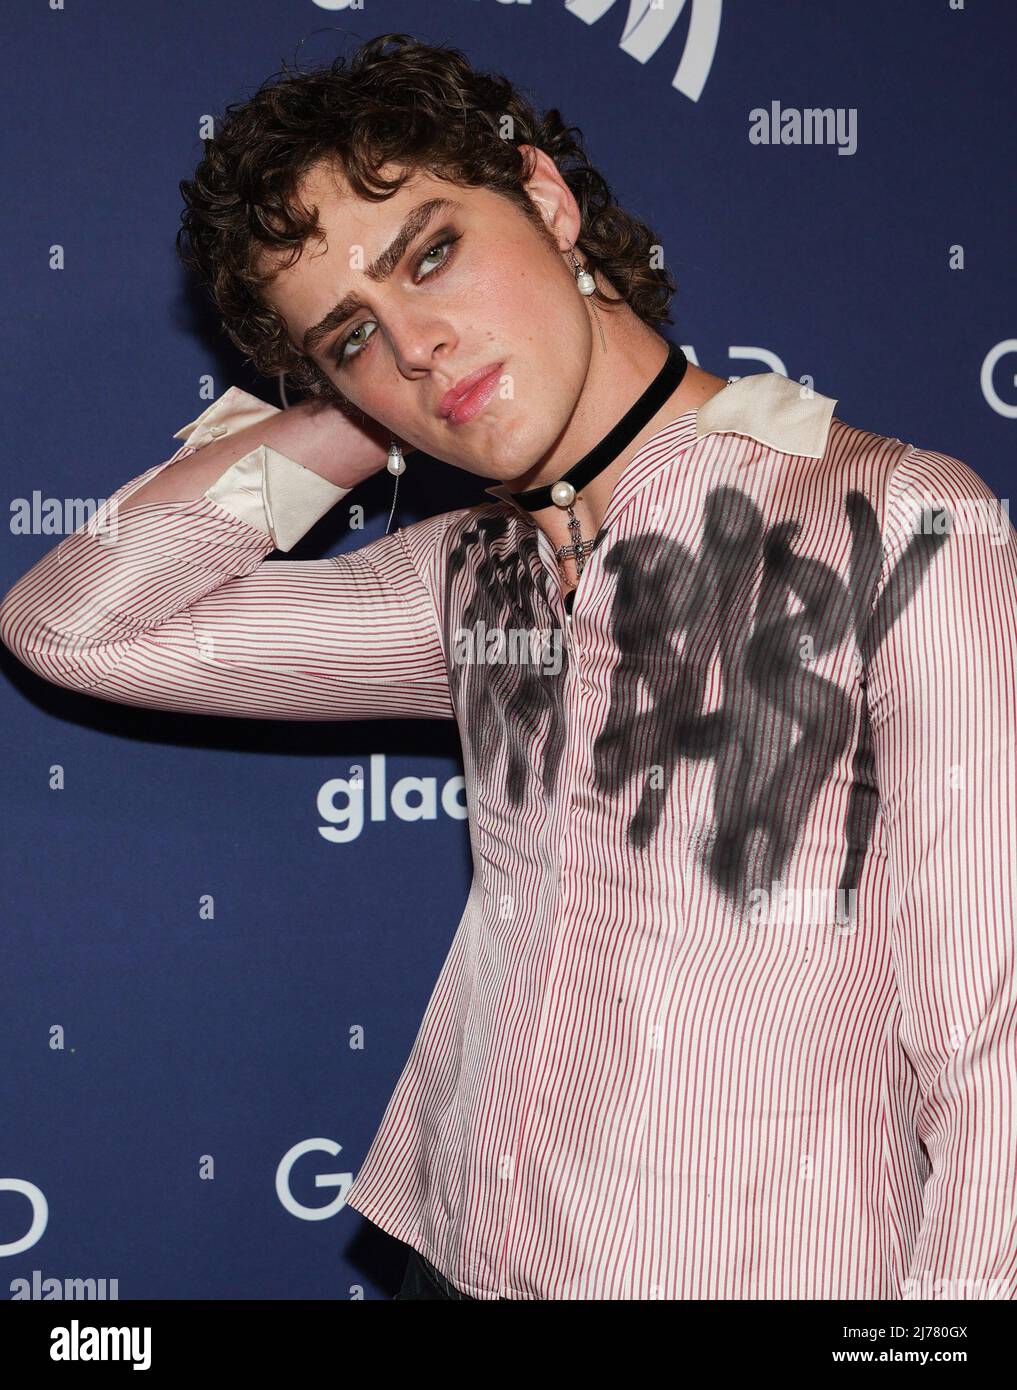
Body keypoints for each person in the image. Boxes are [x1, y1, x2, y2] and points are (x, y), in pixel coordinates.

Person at [2, 32, 1015, 1301]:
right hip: (462, 1257)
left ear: (544, 201)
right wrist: (349, 420)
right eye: (352, 332)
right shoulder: (465, 573)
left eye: (433, 254)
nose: (418, 342)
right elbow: (74, 624)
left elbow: (997, 1044)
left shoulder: (900, 518)